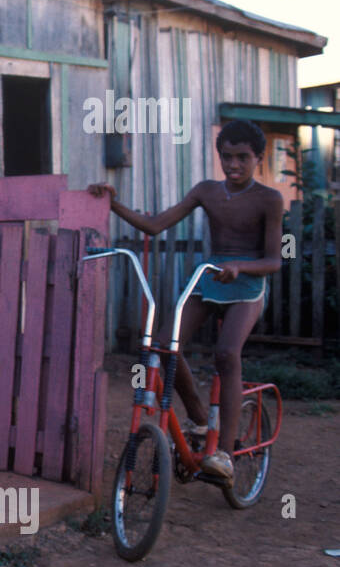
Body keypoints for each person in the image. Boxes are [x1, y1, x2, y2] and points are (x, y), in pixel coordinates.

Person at [88, 119, 283, 482]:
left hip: (247, 286)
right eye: (227, 157)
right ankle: (197, 416)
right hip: (209, 280)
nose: (234, 165)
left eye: (242, 158)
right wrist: (114, 203)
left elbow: (274, 260)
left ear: (259, 157)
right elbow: (155, 225)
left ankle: (223, 452)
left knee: (226, 354)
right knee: (163, 345)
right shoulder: (206, 191)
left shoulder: (269, 199)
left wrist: (240, 266)